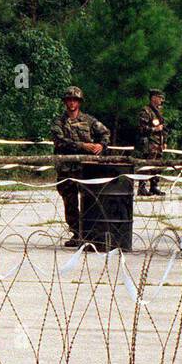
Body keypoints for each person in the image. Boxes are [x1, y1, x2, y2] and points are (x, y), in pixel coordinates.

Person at [51, 86, 111, 248]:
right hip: (66, 170)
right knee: (70, 203)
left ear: (79, 102)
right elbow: (60, 141)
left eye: (75, 100)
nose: (72, 103)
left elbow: (105, 133)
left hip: (87, 169)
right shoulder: (59, 122)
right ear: (65, 102)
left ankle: (91, 233)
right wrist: (83, 146)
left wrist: (100, 145)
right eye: (69, 100)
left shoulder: (89, 120)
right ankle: (77, 233)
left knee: (90, 202)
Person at [135, 88, 167, 198]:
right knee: (146, 165)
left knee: (157, 165)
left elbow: (164, 129)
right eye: (159, 98)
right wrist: (154, 129)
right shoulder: (146, 111)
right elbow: (141, 129)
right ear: (153, 98)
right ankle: (142, 187)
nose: (161, 100)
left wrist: (164, 141)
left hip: (158, 144)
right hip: (149, 144)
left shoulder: (158, 112)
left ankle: (154, 186)